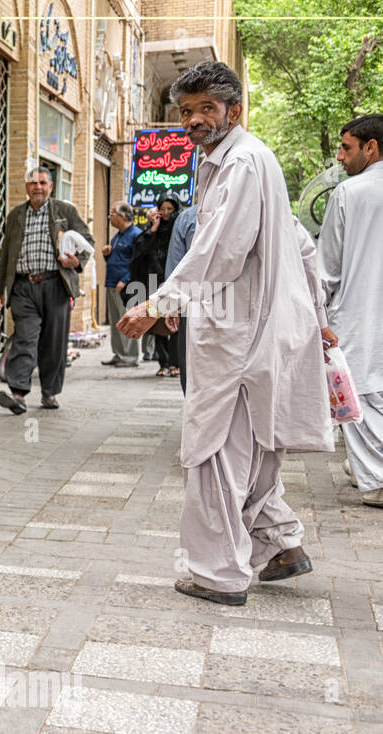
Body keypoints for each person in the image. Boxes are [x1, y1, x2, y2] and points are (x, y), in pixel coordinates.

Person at [118, 61, 334, 606]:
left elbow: (219, 254)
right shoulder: (232, 163)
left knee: (214, 449)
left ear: (232, 111)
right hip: (252, 329)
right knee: (254, 449)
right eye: (186, 112)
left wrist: (157, 303)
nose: (193, 121)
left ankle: (218, 574)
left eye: (205, 110)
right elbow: (299, 249)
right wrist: (316, 315)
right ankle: (281, 544)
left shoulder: (241, 164)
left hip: (239, 335)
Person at [318, 113, 383, 508]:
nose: (341, 158)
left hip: (358, 315)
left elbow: (327, 269)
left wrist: (316, 316)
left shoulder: (349, 194)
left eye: (346, 148)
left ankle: (375, 480)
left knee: (358, 396)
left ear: (370, 148)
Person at [0, 167, 94, 413]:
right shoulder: (15, 215)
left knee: (53, 342)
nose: (37, 187)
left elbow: (87, 242)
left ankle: (49, 392)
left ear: (51, 186)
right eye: (32, 183)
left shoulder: (65, 211)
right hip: (23, 287)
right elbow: (6, 254)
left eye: (42, 182)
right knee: (25, 339)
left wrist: (76, 262)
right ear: (26, 187)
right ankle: (18, 393)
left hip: (55, 286)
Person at [130, 195, 180, 376]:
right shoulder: (152, 230)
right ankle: (163, 363)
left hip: (175, 280)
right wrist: (154, 229)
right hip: (154, 281)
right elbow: (141, 251)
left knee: (175, 323)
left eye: (170, 209)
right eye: (163, 209)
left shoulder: (179, 228)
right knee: (158, 323)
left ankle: (175, 363)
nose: (166, 213)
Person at [100, 202, 142, 368]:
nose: (109, 217)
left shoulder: (135, 235)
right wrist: (107, 255)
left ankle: (130, 356)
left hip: (126, 286)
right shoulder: (117, 236)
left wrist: (125, 279)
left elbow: (137, 262)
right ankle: (119, 353)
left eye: (112, 214)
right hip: (112, 282)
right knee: (116, 321)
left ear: (123, 216)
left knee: (128, 320)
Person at [164, 203, 198, 393]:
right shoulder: (247, 211)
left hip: (193, 304)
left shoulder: (187, 218)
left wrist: (172, 305)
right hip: (235, 307)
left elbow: (176, 266)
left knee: (192, 367)